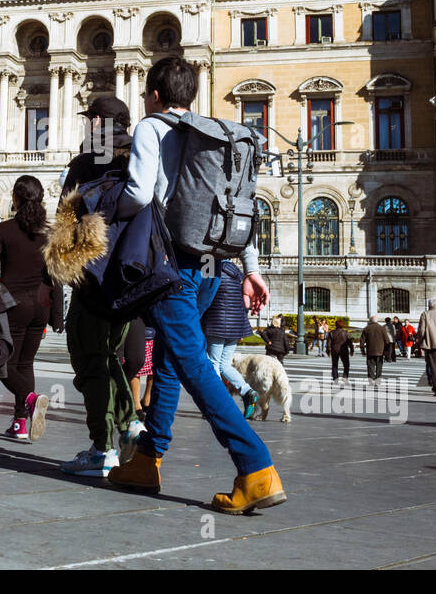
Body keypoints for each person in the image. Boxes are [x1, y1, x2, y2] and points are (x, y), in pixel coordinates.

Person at [106, 55, 285, 514]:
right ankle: (147, 460)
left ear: (157, 94)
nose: (146, 100)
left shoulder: (153, 127)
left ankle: (256, 466)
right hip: (211, 266)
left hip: (172, 267)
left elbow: (142, 194)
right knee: (167, 363)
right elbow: (233, 204)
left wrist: (106, 212)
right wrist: (251, 267)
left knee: (194, 367)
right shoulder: (212, 132)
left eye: (147, 93)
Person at [48, 95, 142, 474]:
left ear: (100, 121)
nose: (88, 125)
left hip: (90, 276)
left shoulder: (86, 162)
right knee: (111, 356)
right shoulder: (140, 154)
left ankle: (102, 449)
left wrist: (58, 267)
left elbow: (63, 223)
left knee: (89, 359)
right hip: (129, 276)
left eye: (90, 119)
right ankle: (131, 423)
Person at [0, 175, 58, 442]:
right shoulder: (48, 233)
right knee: (25, 363)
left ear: (15, 198)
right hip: (42, 306)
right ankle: (20, 423)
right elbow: (55, 274)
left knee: (2, 364)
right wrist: (56, 313)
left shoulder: (4, 229)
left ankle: (32, 399)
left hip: (14, 305)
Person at [202, 260, 260, 419]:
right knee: (224, 365)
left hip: (216, 323)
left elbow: (206, 296)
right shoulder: (237, 273)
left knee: (213, 363)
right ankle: (247, 391)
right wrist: (241, 327)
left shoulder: (211, 268)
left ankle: (215, 403)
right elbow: (243, 303)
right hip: (235, 325)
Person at [362, 314, 390, 385]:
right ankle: (378, 381)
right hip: (380, 351)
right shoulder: (382, 328)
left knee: (370, 366)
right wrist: (386, 351)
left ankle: (371, 380)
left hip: (370, 351)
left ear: (370, 321)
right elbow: (387, 341)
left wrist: (363, 351)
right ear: (377, 321)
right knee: (379, 367)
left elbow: (362, 341)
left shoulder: (366, 328)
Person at [328, 318, 351, 383]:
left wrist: (328, 350)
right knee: (346, 364)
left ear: (336, 325)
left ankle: (335, 378)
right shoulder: (346, 333)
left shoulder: (331, 333)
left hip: (334, 350)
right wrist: (352, 350)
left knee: (334, 365)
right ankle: (345, 376)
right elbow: (349, 343)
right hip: (344, 350)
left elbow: (329, 343)